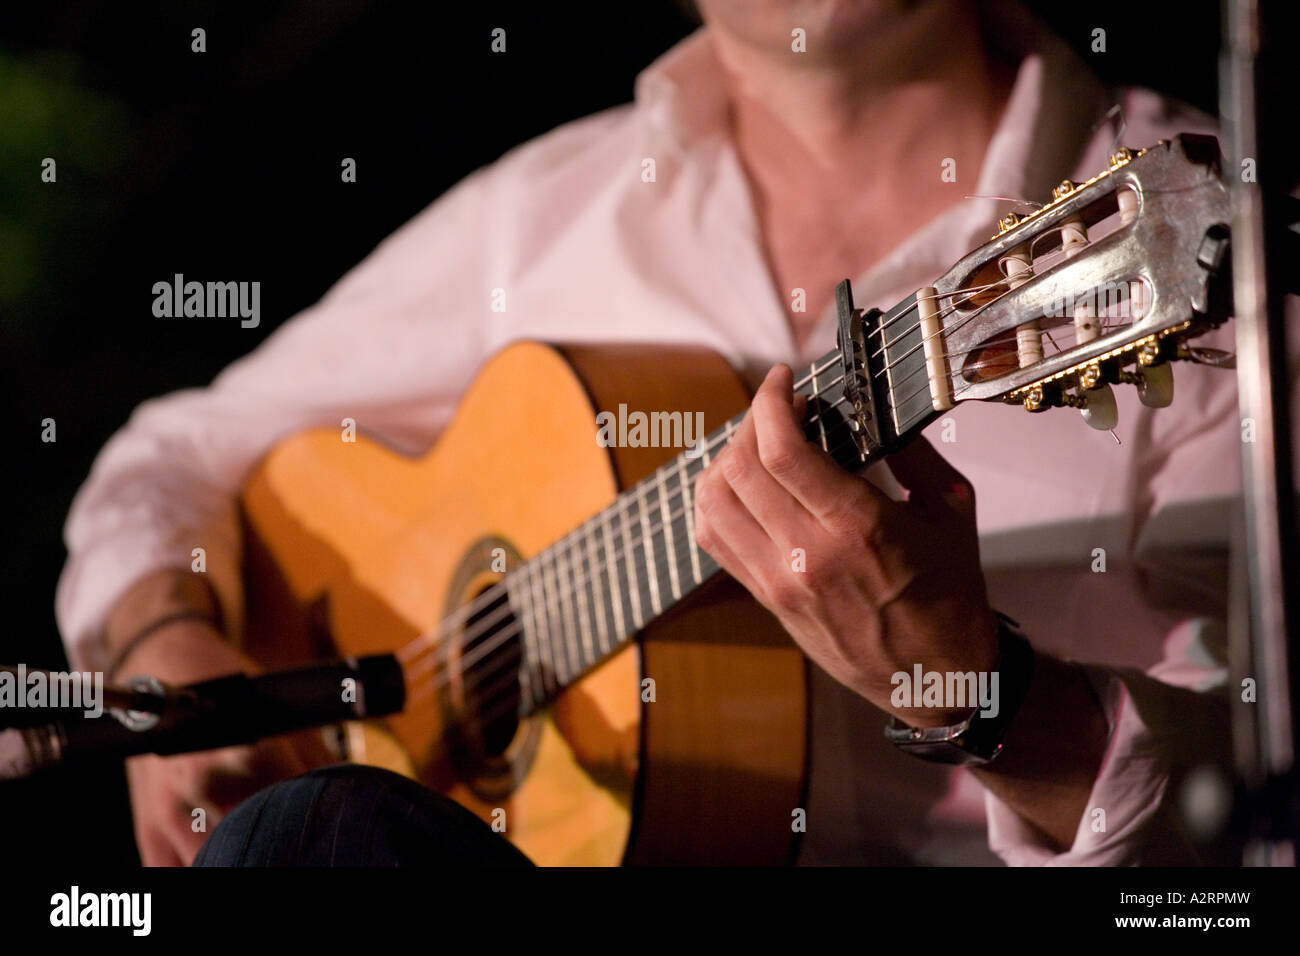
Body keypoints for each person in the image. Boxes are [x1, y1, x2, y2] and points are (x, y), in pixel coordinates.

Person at [59, 0, 1244, 866]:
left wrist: (976, 689)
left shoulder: (1216, 247)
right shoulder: (539, 218)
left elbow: (1245, 841)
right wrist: (168, 639)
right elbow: (166, 457)